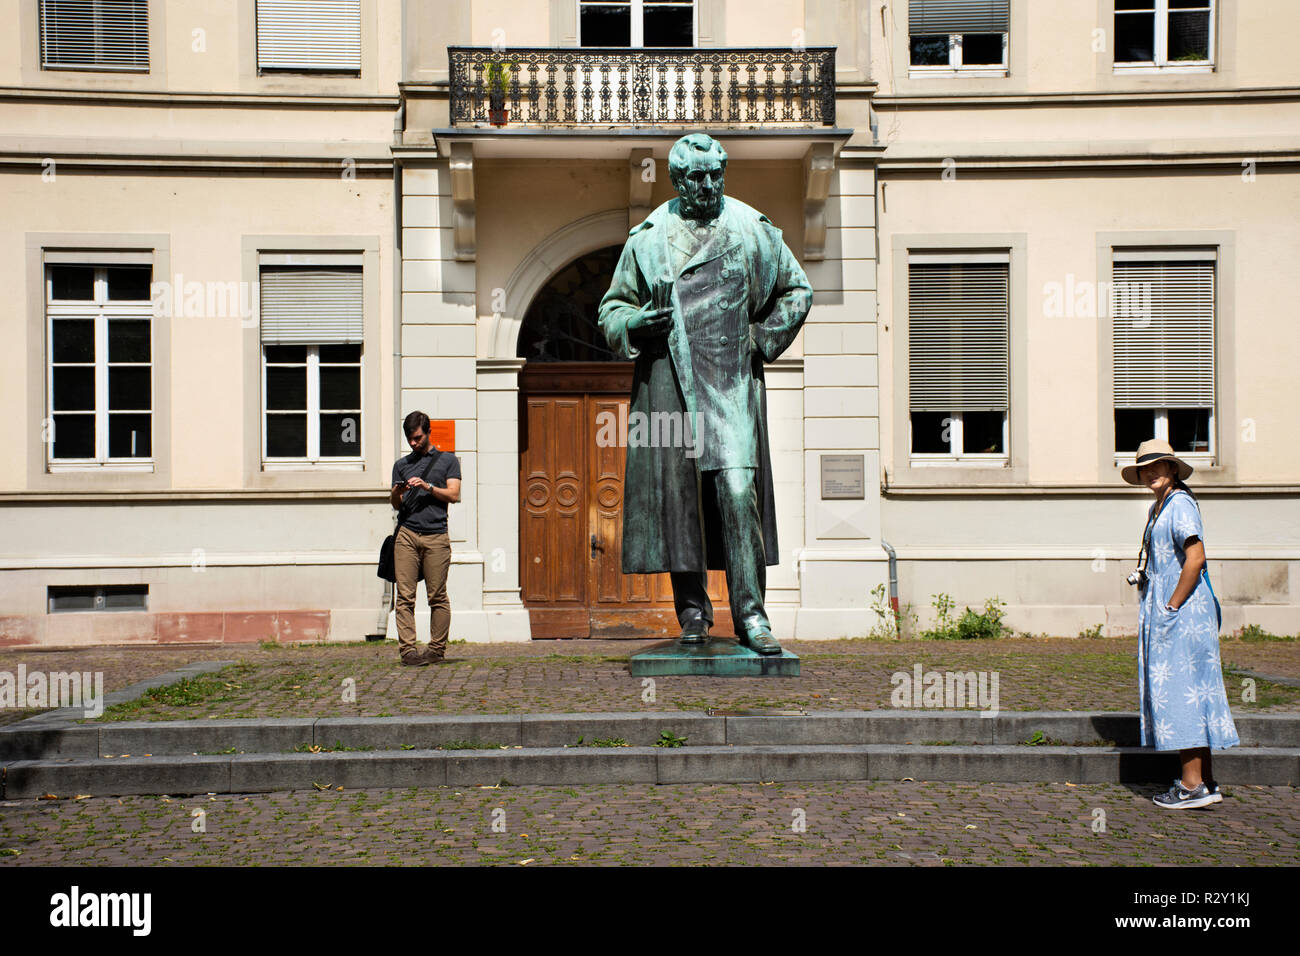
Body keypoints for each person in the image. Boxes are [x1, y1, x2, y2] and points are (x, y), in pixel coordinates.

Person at [598, 133, 812, 655]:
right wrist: (638, 322)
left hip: (730, 384)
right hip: (672, 383)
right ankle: (692, 613)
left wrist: (764, 338)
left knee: (739, 495)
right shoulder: (646, 239)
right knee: (679, 502)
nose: (709, 185)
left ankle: (752, 617)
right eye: (697, 177)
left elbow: (797, 289)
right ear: (676, 180)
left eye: (717, 174)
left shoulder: (751, 228)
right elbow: (610, 311)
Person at [1123, 438, 1238, 809]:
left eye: (1159, 464)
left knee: (1180, 690)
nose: (1152, 471)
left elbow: (1196, 558)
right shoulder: (1163, 507)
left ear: (1172, 468)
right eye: (1146, 467)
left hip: (1182, 613)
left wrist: (1171, 606)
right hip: (1178, 611)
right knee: (1192, 689)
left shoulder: (1180, 504)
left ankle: (1191, 787)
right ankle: (1204, 781)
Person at [389, 411, 461, 665]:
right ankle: (408, 651)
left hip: (436, 536)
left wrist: (427, 487)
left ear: (428, 432)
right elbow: (396, 504)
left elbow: (454, 494)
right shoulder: (402, 464)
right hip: (407, 534)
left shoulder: (448, 461)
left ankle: (436, 649)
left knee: (437, 596)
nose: (413, 443)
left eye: (417, 438)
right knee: (405, 596)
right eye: (409, 438)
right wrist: (397, 492)